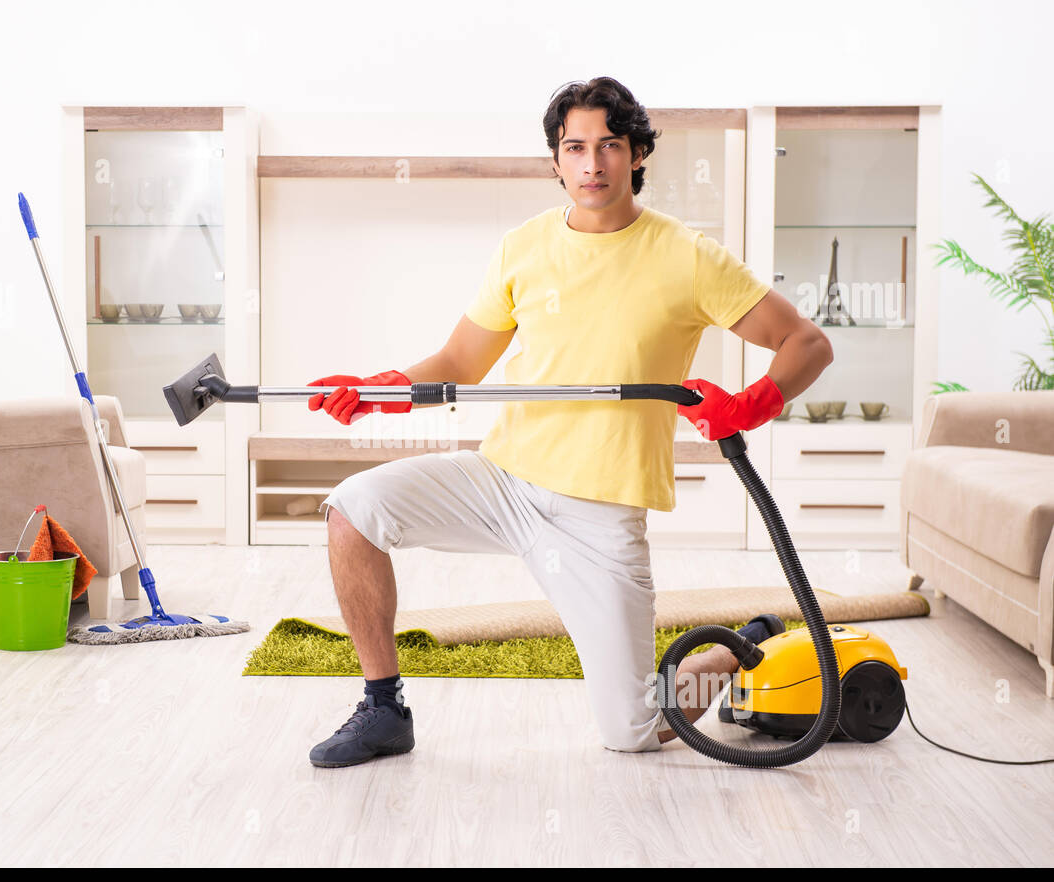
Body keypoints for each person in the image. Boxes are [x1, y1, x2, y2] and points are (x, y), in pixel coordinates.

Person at [304, 77, 834, 768]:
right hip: (503, 480)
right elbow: (460, 362)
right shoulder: (523, 246)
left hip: (600, 516)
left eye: (609, 145)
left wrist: (750, 402)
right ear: (555, 160)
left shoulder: (687, 255)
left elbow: (807, 343)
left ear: (637, 153)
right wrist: (380, 390)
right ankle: (384, 709)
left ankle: (737, 647)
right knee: (351, 509)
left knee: (633, 730)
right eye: (575, 147)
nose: (592, 164)